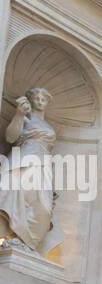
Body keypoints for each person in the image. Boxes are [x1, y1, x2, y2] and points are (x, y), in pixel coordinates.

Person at [0, 87, 62, 253]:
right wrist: (19, 115)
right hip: (24, 160)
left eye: (44, 99)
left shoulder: (48, 125)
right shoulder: (25, 118)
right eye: (37, 98)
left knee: (44, 207)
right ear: (31, 100)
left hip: (44, 166)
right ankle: (14, 238)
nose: (40, 101)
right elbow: (10, 137)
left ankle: (28, 243)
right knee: (17, 196)